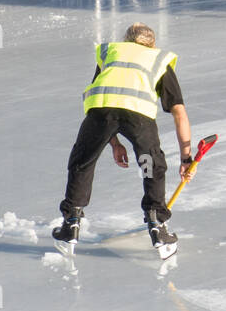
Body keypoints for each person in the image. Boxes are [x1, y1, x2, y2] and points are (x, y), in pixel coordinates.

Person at [53, 22, 195, 253]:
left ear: (126, 40)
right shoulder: (158, 59)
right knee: (150, 165)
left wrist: (114, 142)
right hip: (138, 117)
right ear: (153, 44)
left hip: (100, 113)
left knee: (83, 162)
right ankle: (157, 224)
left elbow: (108, 94)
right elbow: (178, 112)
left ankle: (70, 225)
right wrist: (186, 158)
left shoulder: (111, 53)